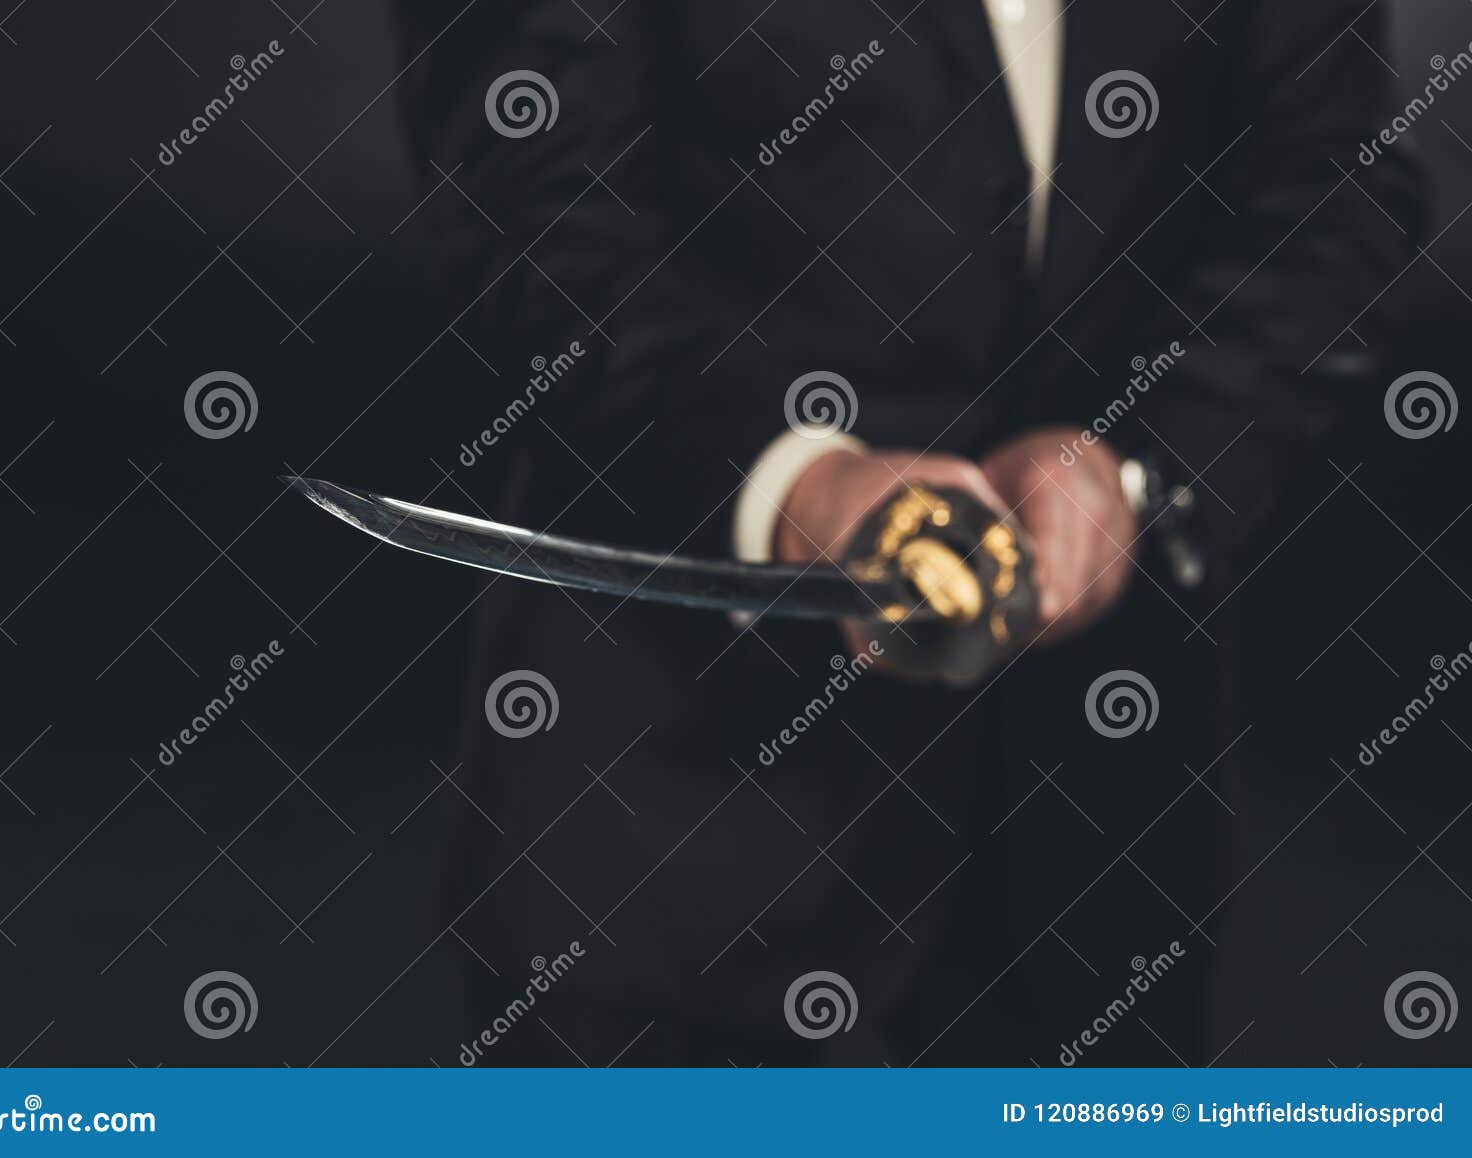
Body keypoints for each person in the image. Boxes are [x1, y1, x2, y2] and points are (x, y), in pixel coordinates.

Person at [400, 0, 1422, 1064]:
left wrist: (1138, 468)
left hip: (1090, 824)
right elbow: (526, 201)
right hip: (672, 831)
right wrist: (794, 481)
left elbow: (1334, 192)